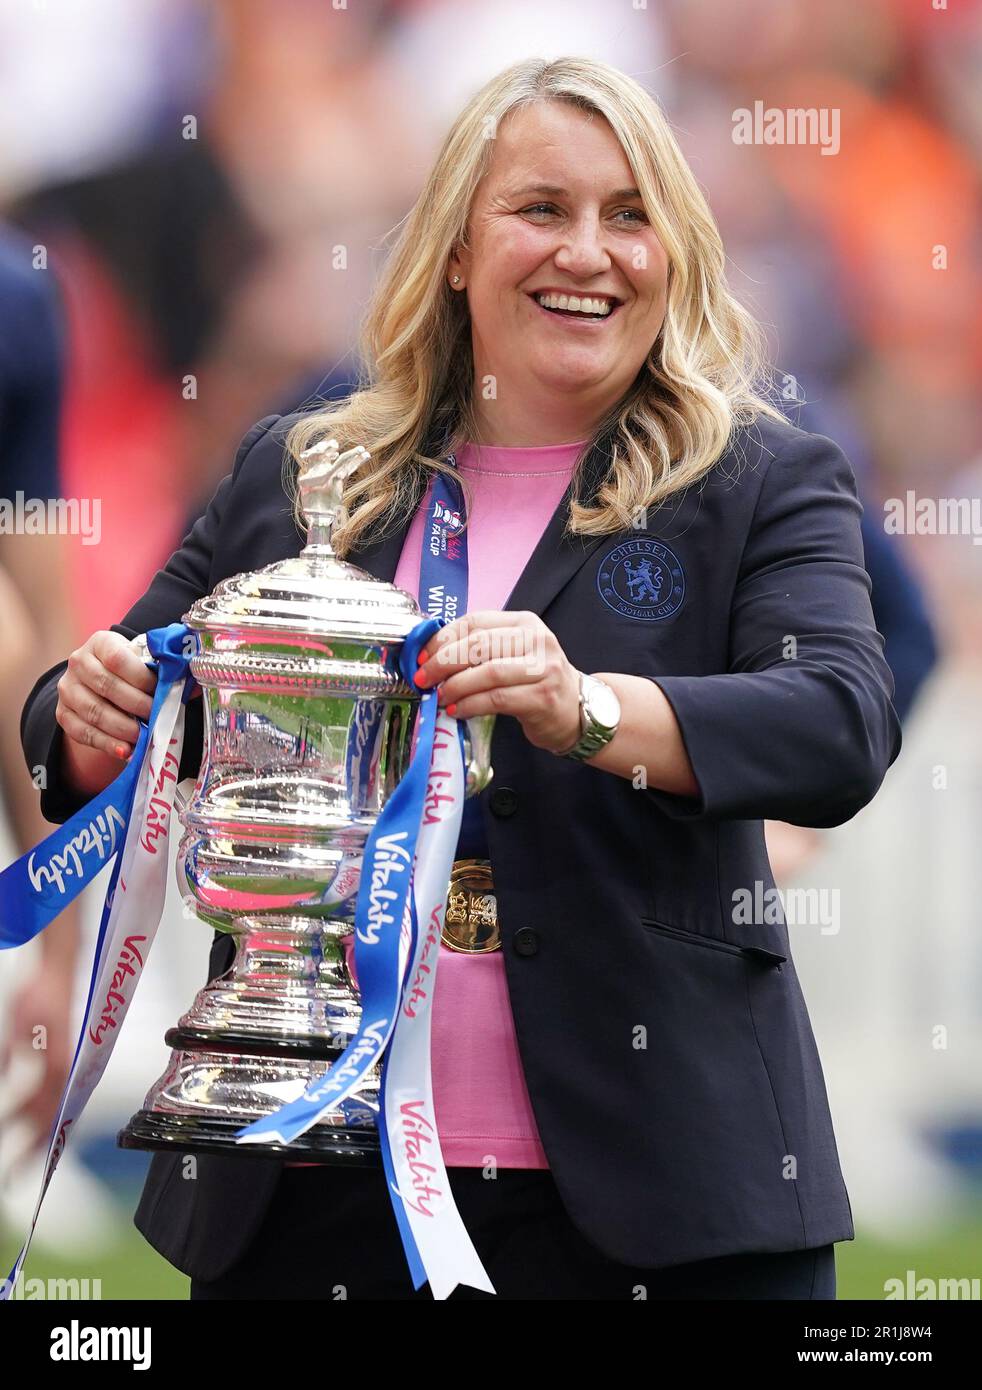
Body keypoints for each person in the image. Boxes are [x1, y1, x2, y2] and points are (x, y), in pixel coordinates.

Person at [19, 57, 902, 1300]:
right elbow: (109, 694)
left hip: (665, 1204)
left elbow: (838, 725)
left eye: (629, 214)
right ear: (452, 246)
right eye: (541, 210)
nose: (587, 252)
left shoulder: (759, 478)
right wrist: (91, 711)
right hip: (312, 1189)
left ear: (675, 250)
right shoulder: (307, 471)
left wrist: (583, 708)